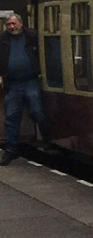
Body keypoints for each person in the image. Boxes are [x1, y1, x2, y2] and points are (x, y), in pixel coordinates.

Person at [1, 11, 49, 165]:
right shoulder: (2, 39)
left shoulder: (32, 36)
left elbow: (46, 51)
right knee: (11, 117)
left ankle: (47, 140)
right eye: (8, 24)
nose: (12, 26)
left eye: (14, 23)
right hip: (12, 83)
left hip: (31, 80)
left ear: (21, 23)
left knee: (37, 110)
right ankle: (11, 150)